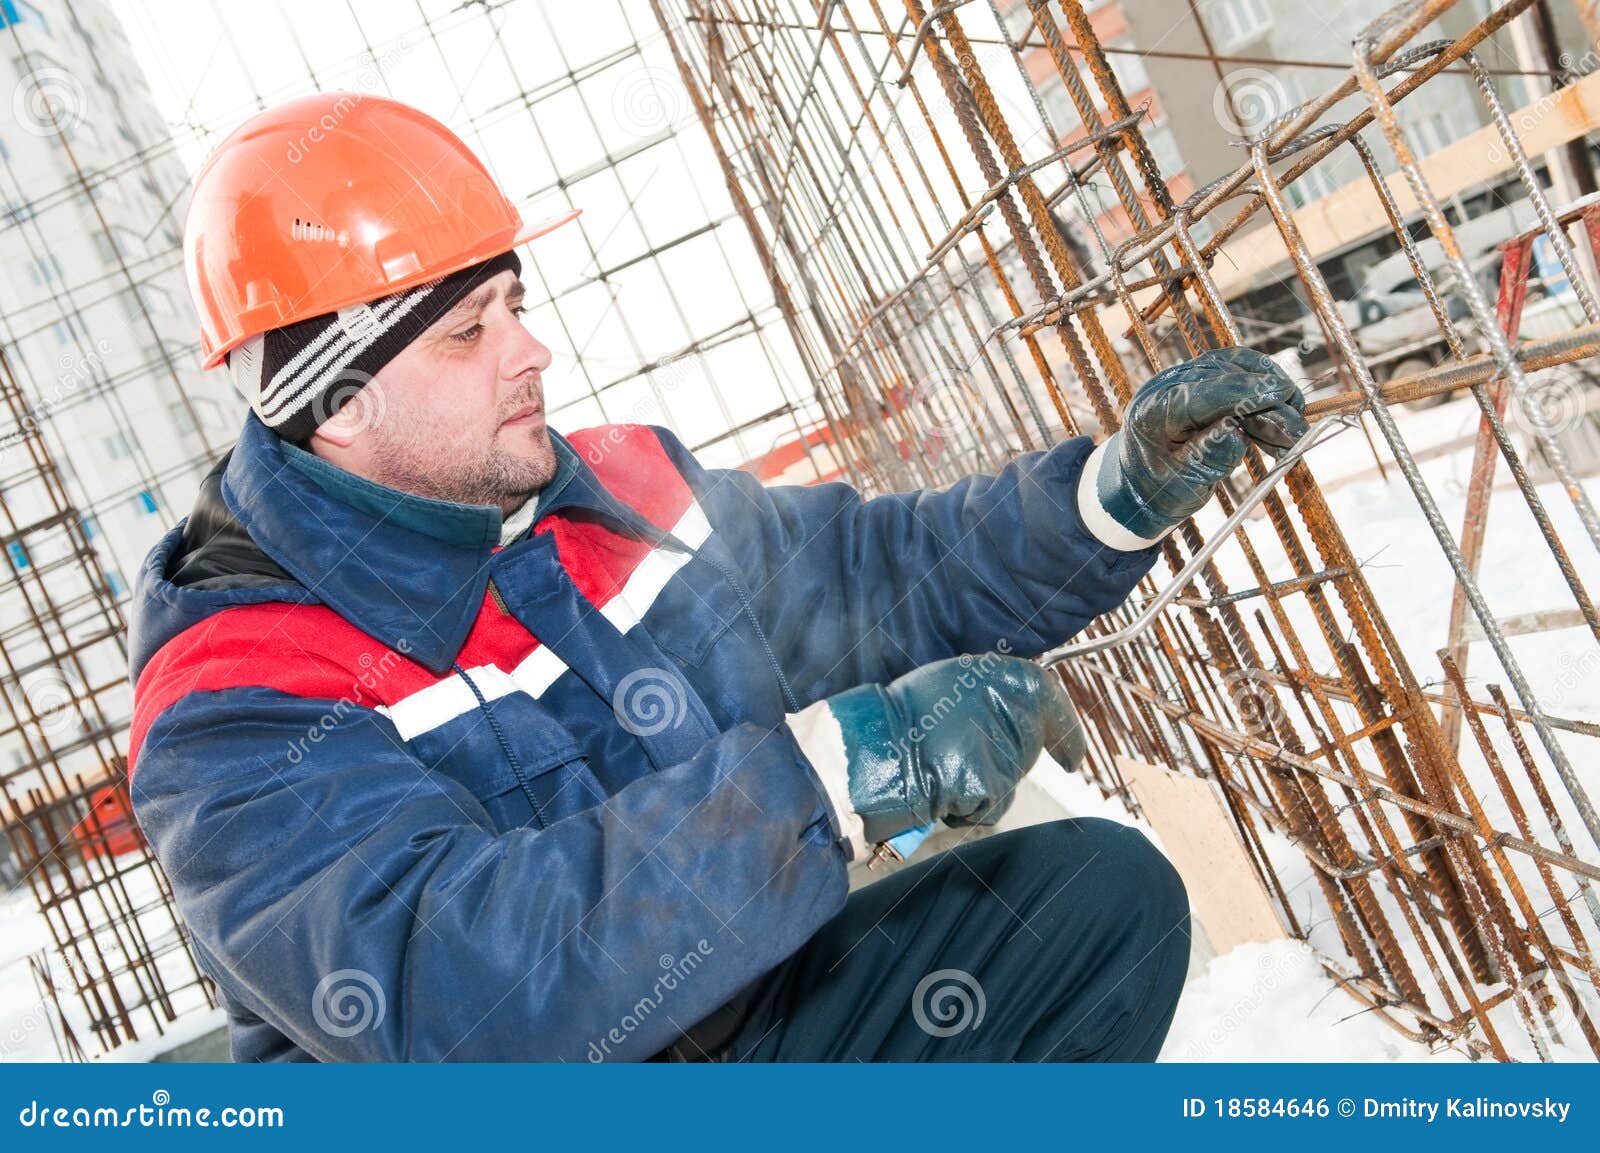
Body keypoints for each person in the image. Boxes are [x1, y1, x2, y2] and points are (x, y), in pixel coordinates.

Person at [128, 93, 1307, 1062]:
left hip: (728, 1036)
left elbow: (872, 571)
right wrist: (835, 772)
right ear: (337, 398)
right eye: (466, 331)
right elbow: (452, 987)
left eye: (516, 305)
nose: (532, 349)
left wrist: (1107, 499)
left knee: (1098, 904)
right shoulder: (236, 698)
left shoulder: (613, 486)